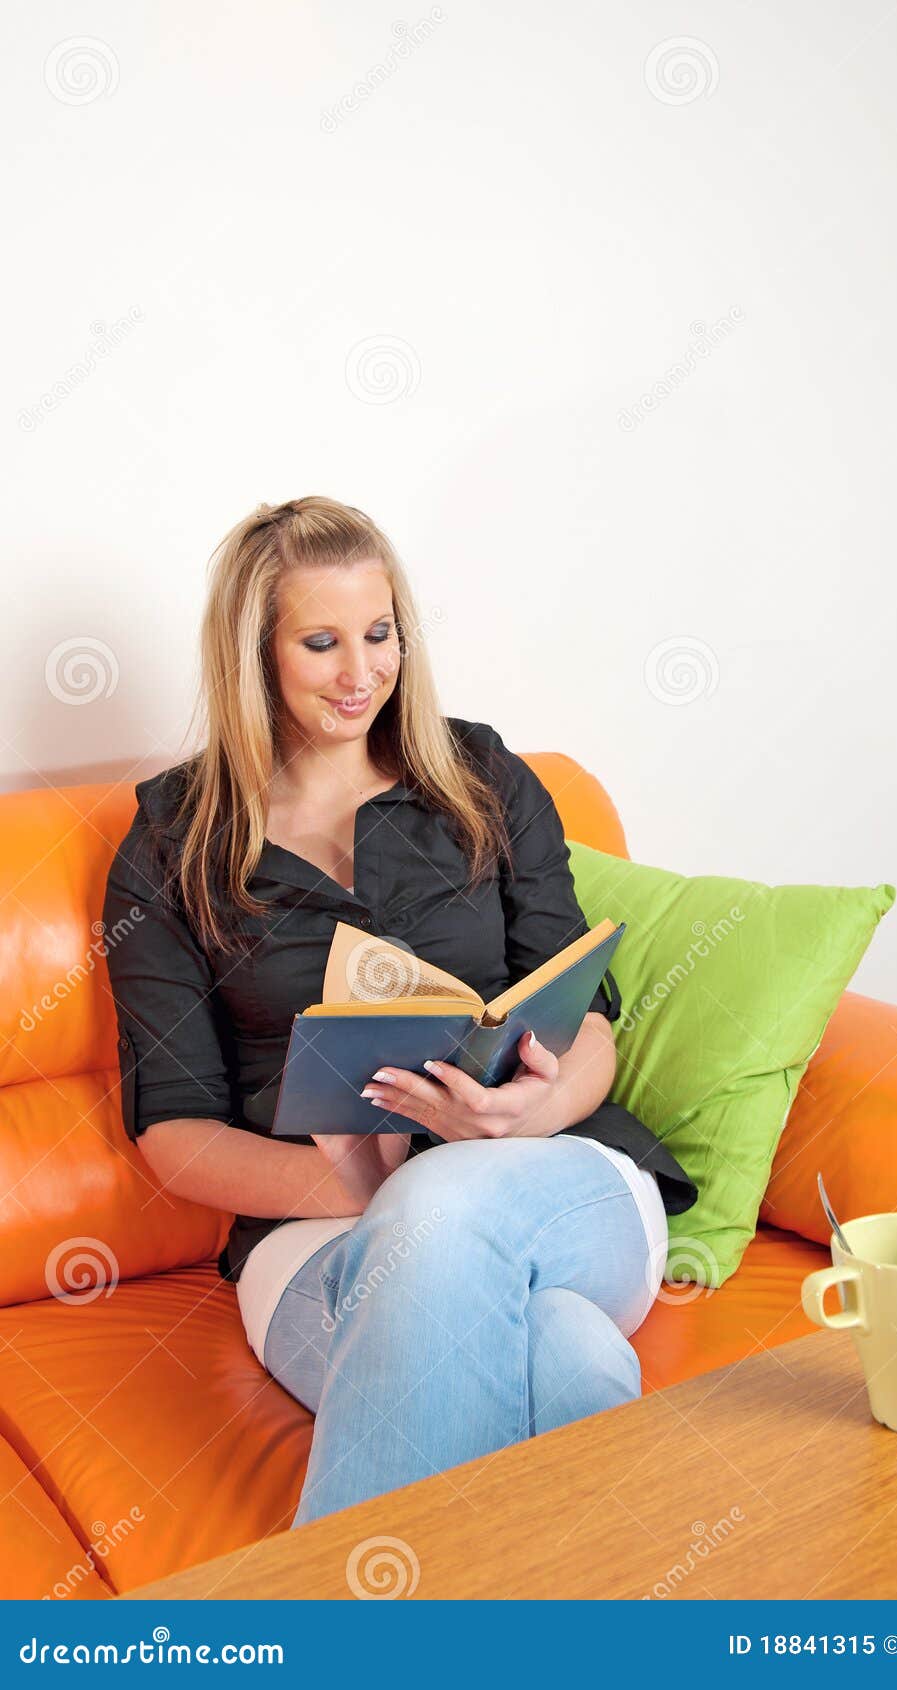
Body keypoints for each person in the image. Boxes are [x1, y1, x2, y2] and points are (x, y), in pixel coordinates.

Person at [103, 495, 697, 1524]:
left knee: (439, 1202)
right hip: (305, 1230)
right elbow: (174, 1130)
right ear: (254, 656)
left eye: (380, 635)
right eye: (321, 642)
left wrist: (530, 1113)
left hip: (554, 1177)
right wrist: (334, 1182)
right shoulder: (169, 847)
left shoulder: (483, 779)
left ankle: (339, 1638)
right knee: (568, 1355)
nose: (361, 672)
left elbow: (585, 1020)